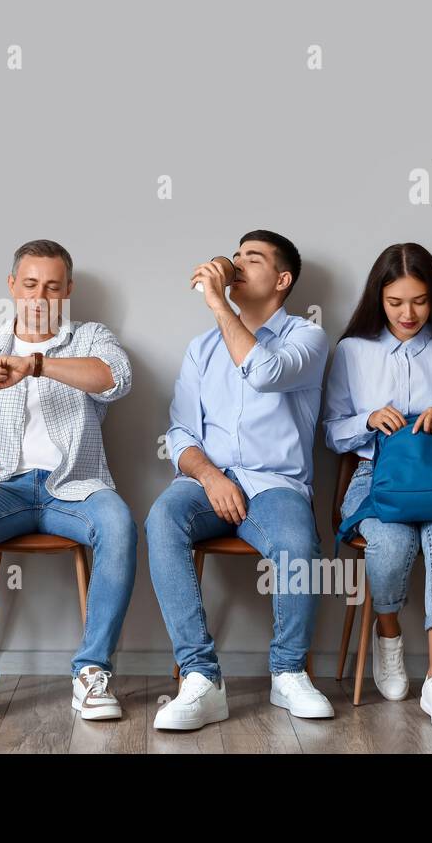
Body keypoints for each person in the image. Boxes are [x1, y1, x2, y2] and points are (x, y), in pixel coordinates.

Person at [0, 239, 137, 727]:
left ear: (67, 289)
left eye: (51, 286)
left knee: (120, 524)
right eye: (29, 284)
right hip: (2, 489)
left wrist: (37, 365)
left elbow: (117, 377)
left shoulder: (90, 338)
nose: (40, 296)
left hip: (76, 487)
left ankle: (91, 672)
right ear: (11, 287)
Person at [146, 231, 334, 731]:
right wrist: (209, 477)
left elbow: (265, 371)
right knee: (162, 517)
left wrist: (216, 303)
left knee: (297, 542)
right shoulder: (201, 349)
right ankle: (201, 679)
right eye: (236, 256)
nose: (237, 264)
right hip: (209, 481)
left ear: (282, 279)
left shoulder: (307, 337)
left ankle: (289, 672)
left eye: (252, 259)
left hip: (276, 484)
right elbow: (181, 429)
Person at [323, 242, 432, 731]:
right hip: (373, 477)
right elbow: (331, 430)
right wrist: (366, 420)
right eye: (395, 302)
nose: (408, 314)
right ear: (377, 299)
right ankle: (389, 638)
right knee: (390, 537)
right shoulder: (352, 351)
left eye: (419, 301)